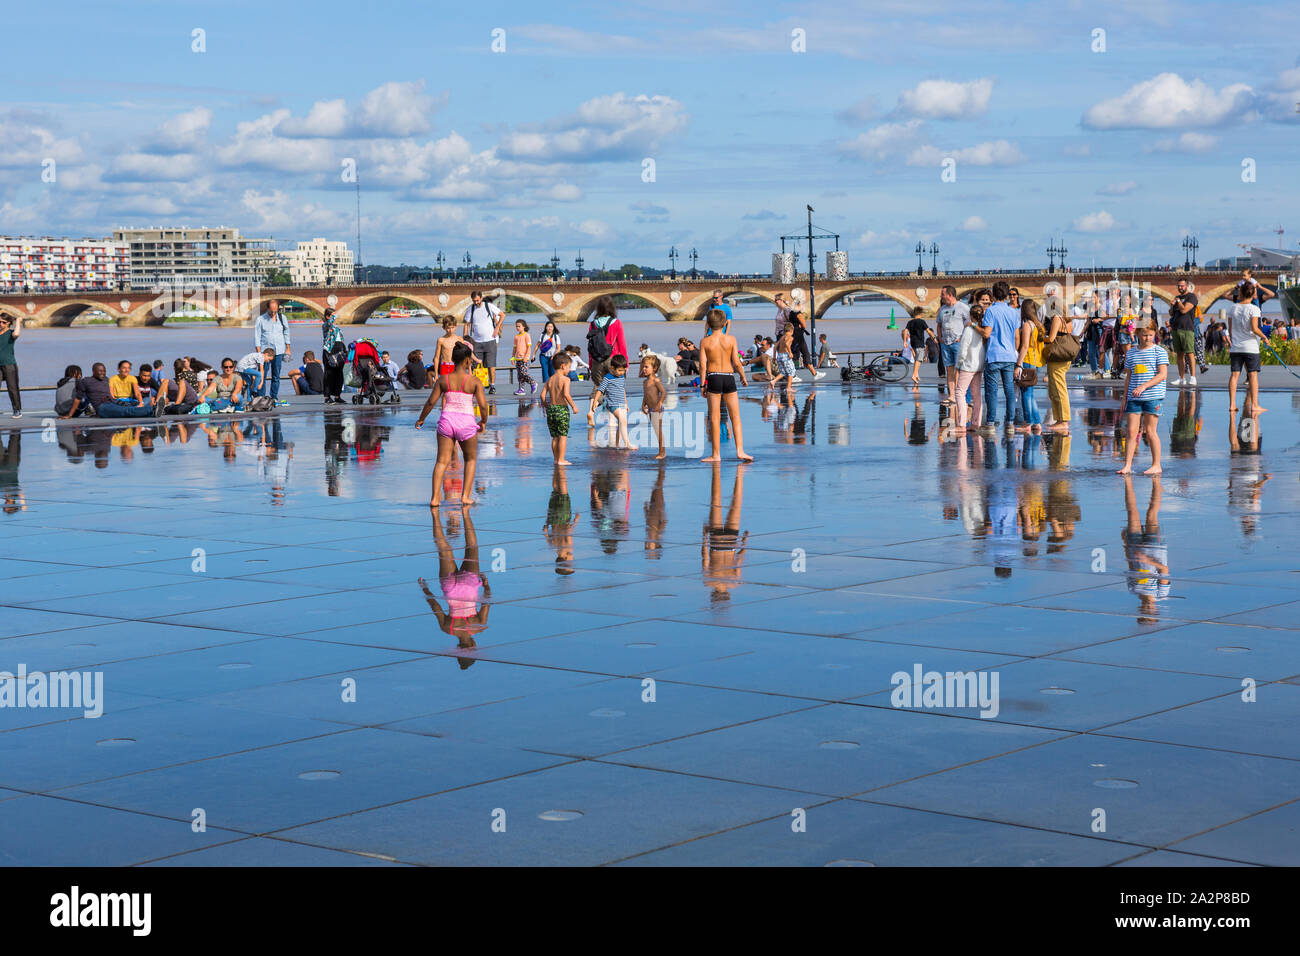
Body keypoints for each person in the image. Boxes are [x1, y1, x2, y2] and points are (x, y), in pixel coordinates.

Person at [415, 342, 489, 507]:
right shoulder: (474, 381)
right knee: (470, 460)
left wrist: (421, 419)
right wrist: (483, 421)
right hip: (466, 423)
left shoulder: (443, 379)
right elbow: (483, 406)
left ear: (453, 360)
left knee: (441, 461)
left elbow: (431, 402)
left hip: (446, 422)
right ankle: (465, 497)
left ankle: (435, 498)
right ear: (469, 361)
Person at [699, 309, 752, 462]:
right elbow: (736, 362)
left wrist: (702, 385)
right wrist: (743, 376)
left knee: (715, 418)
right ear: (724, 323)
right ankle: (740, 451)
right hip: (729, 377)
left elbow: (703, 365)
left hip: (714, 377)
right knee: (735, 417)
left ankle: (716, 454)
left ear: (708, 324)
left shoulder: (705, 341)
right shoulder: (731, 339)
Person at [1117, 318, 1167, 476]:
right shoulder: (1131, 352)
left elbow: (1162, 374)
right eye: (1144, 335)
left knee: (1151, 432)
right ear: (1137, 333)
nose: (1148, 338)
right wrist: (1124, 397)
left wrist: (1144, 386)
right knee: (1131, 432)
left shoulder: (1159, 351)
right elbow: (1129, 376)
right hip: (1133, 397)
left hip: (1153, 397)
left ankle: (1156, 464)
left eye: (1151, 335)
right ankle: (1127, 465)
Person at [977, 281, 1021, 433]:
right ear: (1008, 295)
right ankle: (1009, 423)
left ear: (993, 295)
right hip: (1009, 356)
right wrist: (1013, 350)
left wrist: (975, 327)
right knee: (1009, 390)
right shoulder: (1014, 312)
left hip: (994, 355)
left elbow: (987, 333)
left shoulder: (990, 311)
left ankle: (990, 423)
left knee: (992, 391)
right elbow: (1017, 337)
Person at [1225, 284, 1267, 416]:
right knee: (1253, 375)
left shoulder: (1232, 308)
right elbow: (1255, 329)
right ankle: (1255, 405)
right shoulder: (1254, 309)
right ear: (1253, 294)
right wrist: (1265, 337)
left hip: (1236, 347)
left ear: (1241, 293)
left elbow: (1231, 330)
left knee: (1234, 375)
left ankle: (1232, 404)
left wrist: (1234, 341)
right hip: (1250, 347)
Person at [585, 295, 626, 425]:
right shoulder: (616, 323)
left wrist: (591, 363)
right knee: (613, 388)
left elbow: (590, 346)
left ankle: (591, 412)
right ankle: (612, 418)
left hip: (597, 359)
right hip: (613, 360)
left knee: (598, 386)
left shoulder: (593, 324)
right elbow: (621, 344)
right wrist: (625, 363)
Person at [540, 351, 579, 465]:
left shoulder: (550, 379)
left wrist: (547, 407)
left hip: (551, 409)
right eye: (568, 367)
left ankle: (556, 459)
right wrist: (574, 406)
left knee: (555, 436)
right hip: (562, 409)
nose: (569, 370)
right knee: (563, 435)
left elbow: (542, 395)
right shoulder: (566, 380)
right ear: (563, 366)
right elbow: (566, 394)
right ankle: (561, 460)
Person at [462, 290, 504, 394]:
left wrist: (497, 328)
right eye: (473, 301)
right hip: (476, 341)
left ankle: (492, 385)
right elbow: (466, 324)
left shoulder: (488, 306)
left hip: (490, 340)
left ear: (481, 298)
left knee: (491, 364)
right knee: (476, 365)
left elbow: (502, 315)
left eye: (477, 300)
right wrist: (464, 338)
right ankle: (478, 385)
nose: (476, 302)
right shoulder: (470, 309)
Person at [952, 304, 986, 432]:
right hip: (979, 365)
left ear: (970, 316)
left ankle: (961, 424)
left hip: (968, 365)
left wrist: (958, 364)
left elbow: (963, 349)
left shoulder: (968, 329)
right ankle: (976, 422)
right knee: (976, 394)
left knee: (960, 392)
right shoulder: (981, 329)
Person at [1041, 299, 1074, 434]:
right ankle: (1059, 419)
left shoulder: (1056, 318)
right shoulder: (1068, 320)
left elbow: (1051, 338)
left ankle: (1063, 420)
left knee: (1059, 389)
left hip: (1057, 356)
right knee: (1056, 388)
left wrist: (1040, 337)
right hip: (1064, 356)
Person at [594, 354, 636, 451]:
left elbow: (622, 389)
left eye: (623, 370)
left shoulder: (621, 377)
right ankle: (627, 444)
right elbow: (600, 390)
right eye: (619, 370)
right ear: (612, 368)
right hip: (612, 404)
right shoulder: (607, 378)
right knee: (623, 421)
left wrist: (626, 403)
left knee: (621, 423)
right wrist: (595, 402)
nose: (622, 372)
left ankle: (617, 444)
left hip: (622, 403)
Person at [935, 286, 969, 402]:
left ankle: (960, 394)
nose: (941, 296)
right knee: (949, 369)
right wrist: (940, 338)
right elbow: (939, 325)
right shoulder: (942, 309)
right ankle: (951, 395)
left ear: (950, 295)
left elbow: (970, 323)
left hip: (957, 343)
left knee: (959, 369)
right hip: (946, 343)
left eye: (942, 294)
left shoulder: (963, 307)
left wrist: (963, 337)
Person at [253, 299, 291, 401]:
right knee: (262, 375)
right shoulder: (261, 319)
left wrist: (288, 348)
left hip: (279, 351)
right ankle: (261, 397)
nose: (273, 313)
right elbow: (257, 336)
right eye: (271, 311)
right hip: (265, 352)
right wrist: (258, 352)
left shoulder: (282, 318)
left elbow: (286, 332)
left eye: (275, 311)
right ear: (267, 308)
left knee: (276, 376)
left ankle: (274, 397)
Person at [1015, 298, 1044, 432]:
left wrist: (1019, 364)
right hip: (1036, 361)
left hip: (1027, 360)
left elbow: (1025, 346)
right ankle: (1036, 422)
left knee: (1026, 393)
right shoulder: (1038, 324)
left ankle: (1027, 423)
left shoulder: (1027, 325)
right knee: (1031, 394)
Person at [1167, 279, 1199, 386]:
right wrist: (1172, 305)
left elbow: (1184, 310)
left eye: (1182, 286)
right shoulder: (1177, 298)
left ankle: (1193, 377)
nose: (1180, 288)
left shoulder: (1192, 297)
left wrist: (1179, 302)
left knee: (1189, 353)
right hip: (1176, 329)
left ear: (1187, 286)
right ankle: (1181, 378)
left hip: (1187, 328)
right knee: (1179, 354)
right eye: (1178, 286)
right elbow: (1171, 313)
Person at [641, 354, 667, 459]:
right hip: (650, 409)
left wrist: (660, 404)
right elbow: (646, 394)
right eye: (643, 367)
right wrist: (643, 404)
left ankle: (662, 452)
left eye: (646, 367)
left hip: (657, 409)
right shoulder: (645, 382)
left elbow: (663, 392)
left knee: (658, 431)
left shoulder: (656, 381)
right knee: (656, 431)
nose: (644, 369)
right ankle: (661, 451)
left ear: (654, 368)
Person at [787, 309, 823, 378]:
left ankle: (814, 373)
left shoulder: (791, 313)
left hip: (794, 335)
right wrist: (800, 326)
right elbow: (804, 325)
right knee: (804, 354)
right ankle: (792, 376)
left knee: (797, 354)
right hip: (799, 336)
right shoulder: (798, 314)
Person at [903, 306, 933, 385]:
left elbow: (905, 331)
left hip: (913, 343)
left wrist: (904, 341)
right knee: (919, 360)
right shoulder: (922, 321)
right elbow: (928, 331)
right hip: (919, 343)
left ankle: (916, 374)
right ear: (920, 313)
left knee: (917, 358)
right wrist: (933, 337)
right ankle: (914, 375)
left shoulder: (910, 322)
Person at [321, 308, 345, 404]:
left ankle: (337, 396)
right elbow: (329, 323)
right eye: (332, 315)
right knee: (329, 374)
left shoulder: (336, 327)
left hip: (339, 350)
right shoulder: (326, 325)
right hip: (330, 351)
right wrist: (334, 316)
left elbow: (340, 338)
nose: (335, 317)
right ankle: (327, 397)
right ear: (327, 316)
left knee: (339, 374)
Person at [0, 313, 21, 418]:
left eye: (3, 322)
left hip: (9, 364)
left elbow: (17, 334)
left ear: (8, 323)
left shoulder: (11, 333)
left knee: (12, 389)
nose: (0, 324)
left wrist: (17, 321)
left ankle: (17, 410)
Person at [512, 319, 536, 396]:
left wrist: (527, 356)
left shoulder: (526, 335)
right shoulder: (516, 337)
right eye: (516, 326)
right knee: (519, 375)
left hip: (524, 358)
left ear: (524, 327)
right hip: (518, 358)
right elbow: (514, 348)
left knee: (523, 373)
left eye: (519, 326)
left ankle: (533, 383)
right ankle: (521, 389)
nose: (517, 328)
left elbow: (529, 347)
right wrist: (513, 358)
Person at [537, 320, 562, 384]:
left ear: (553, 328)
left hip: (553, 357)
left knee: (552, 372)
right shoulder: (542, 335)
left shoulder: (556, 336)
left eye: (551, 326)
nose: (549, 328)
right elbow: (537, 345)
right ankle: (546, 385)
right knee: (544, 371)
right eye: (548, 326)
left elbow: (558, 348)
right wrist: (533, 354)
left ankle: (552, 385)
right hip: (543, 356)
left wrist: (554, 356)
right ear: (545, 327)